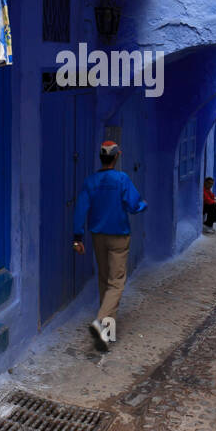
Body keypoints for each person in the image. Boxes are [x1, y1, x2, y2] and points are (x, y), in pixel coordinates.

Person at [73, 141, 148, 351]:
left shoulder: (91, 181)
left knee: (104, 280)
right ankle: (101, 322)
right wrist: (143, 205)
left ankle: (107, 332)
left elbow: (80, 210)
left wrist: (77, 238)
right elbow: (134, 205)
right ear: (117, 157)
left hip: (98, 236)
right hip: (118, 237)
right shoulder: (122, 179)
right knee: (116, 282)